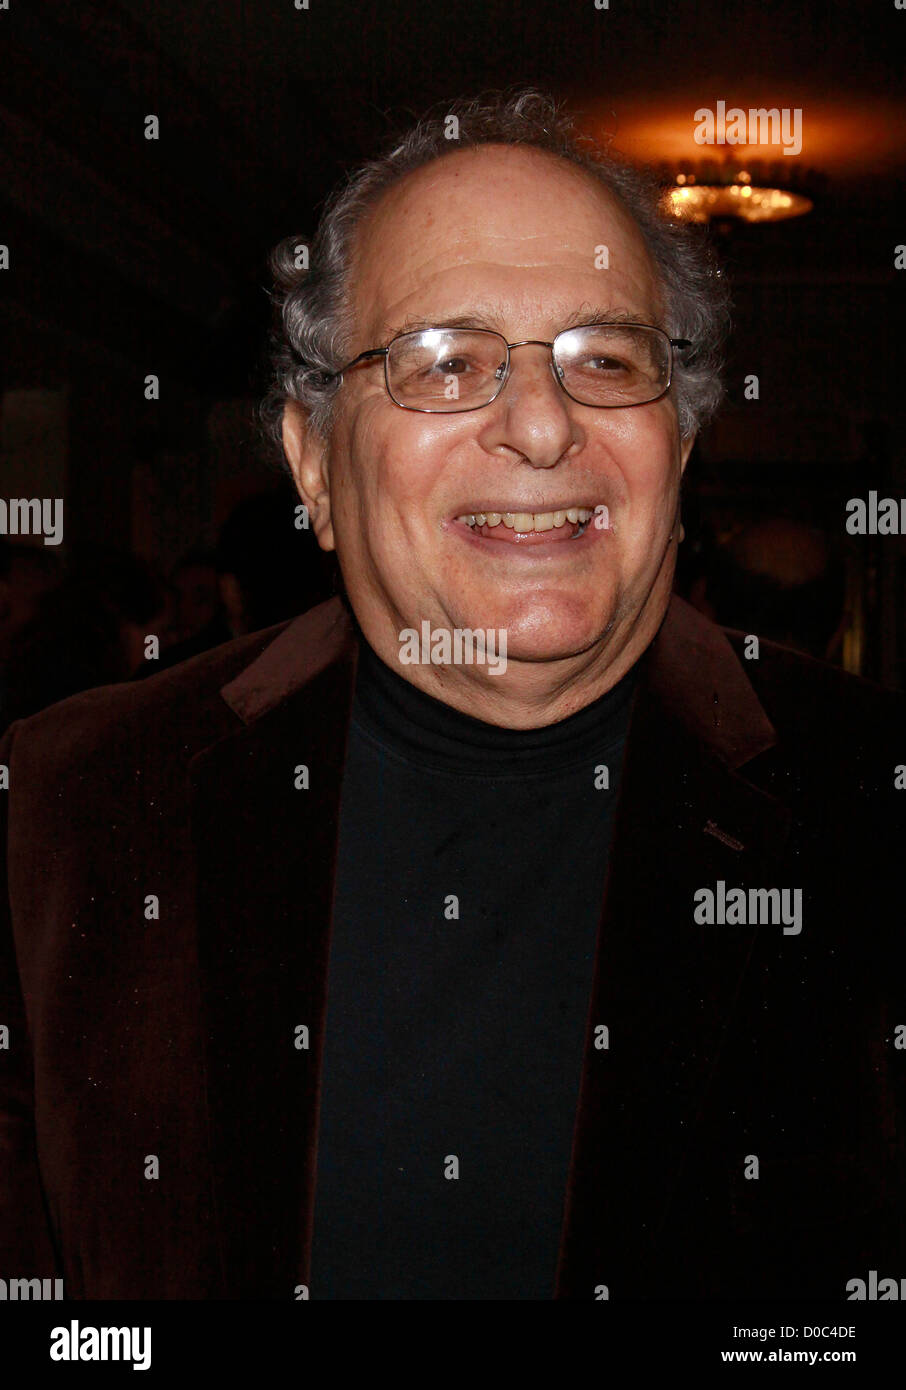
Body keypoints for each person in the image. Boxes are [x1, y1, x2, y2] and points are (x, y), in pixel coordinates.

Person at [1, 89, 903, 1301]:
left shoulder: (872, 804)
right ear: (314, 459)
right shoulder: (74, 802)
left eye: (606, 359)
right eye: (445, 362)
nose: (540, 426)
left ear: (679, 449)